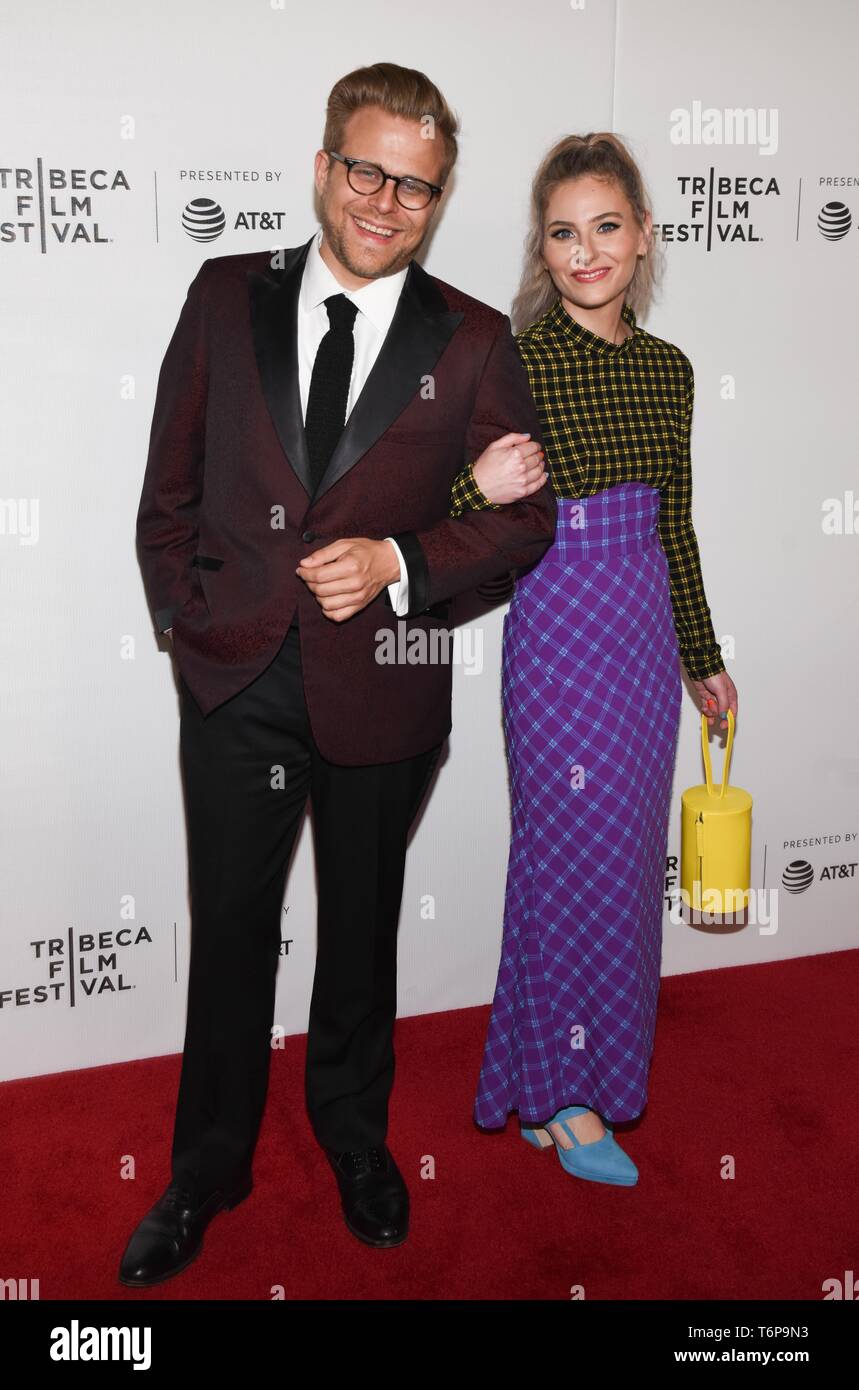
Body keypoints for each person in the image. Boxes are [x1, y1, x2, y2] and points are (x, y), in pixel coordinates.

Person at [120, 61, 555, 1286]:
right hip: (236, 683)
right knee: (234, 937)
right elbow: (167, 493)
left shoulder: (468, 340)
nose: (385, 201)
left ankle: (356, 1142)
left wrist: (402, 559)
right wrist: (187, 631)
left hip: (385, 688)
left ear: (439, 197)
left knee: (361, 934)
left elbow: (525, 521)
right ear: (323, 168)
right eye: (365, 170)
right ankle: (206, 1167)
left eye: (415, 186)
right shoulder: (223, 296)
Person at [464, 133, 738, 1184]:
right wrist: (474, 487)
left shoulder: (670, 372)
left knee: (620, 867)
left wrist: (701, 656)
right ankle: (570, 1097)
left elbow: (676, 526)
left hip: (642, 639)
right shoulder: (514, 362)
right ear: (543, 248)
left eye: (606, 228)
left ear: (642, 238)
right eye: (564, 233)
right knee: (563, 853)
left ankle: (546, 1085)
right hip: (558, 627)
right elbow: (444, 511)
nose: (586, 252)